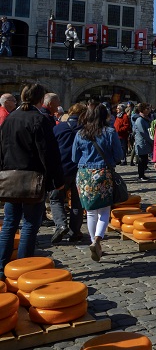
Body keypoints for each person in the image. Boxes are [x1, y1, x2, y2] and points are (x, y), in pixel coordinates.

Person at [0, 83, 64, 276]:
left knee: (10, 223)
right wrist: (56, 180)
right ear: (39, 99)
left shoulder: (10, 118)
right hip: (32, 178)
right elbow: (49, 153)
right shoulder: (39, 119)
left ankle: (2, 267)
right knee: (29, 224)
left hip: (10, 177)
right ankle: (24, 268)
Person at [72, 104, 123, 261]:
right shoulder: (109, 132)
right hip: (102, 173)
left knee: (91, 211)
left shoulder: (80, 133)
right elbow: (119, 154)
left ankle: (93, 240)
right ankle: (97, 240)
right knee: (104, 210)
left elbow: (74, 157)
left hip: (84, 174)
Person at [50, 103, 87, 244]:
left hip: (61, 169)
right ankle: (74, 232)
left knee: (56, 199)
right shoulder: (86, 129)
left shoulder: (58, 128)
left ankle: (61, 224)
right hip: (79, 170)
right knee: (77, 203)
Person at [133, 102, 153, 181]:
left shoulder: (146, 118)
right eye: (147, 109)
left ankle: (143, 174)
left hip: (146, 142)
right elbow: (143, 132)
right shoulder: (140, 120)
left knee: (145, 159)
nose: (148, 110)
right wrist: (151, 140)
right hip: (142, 142)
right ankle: (140, 175)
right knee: (141, 160)